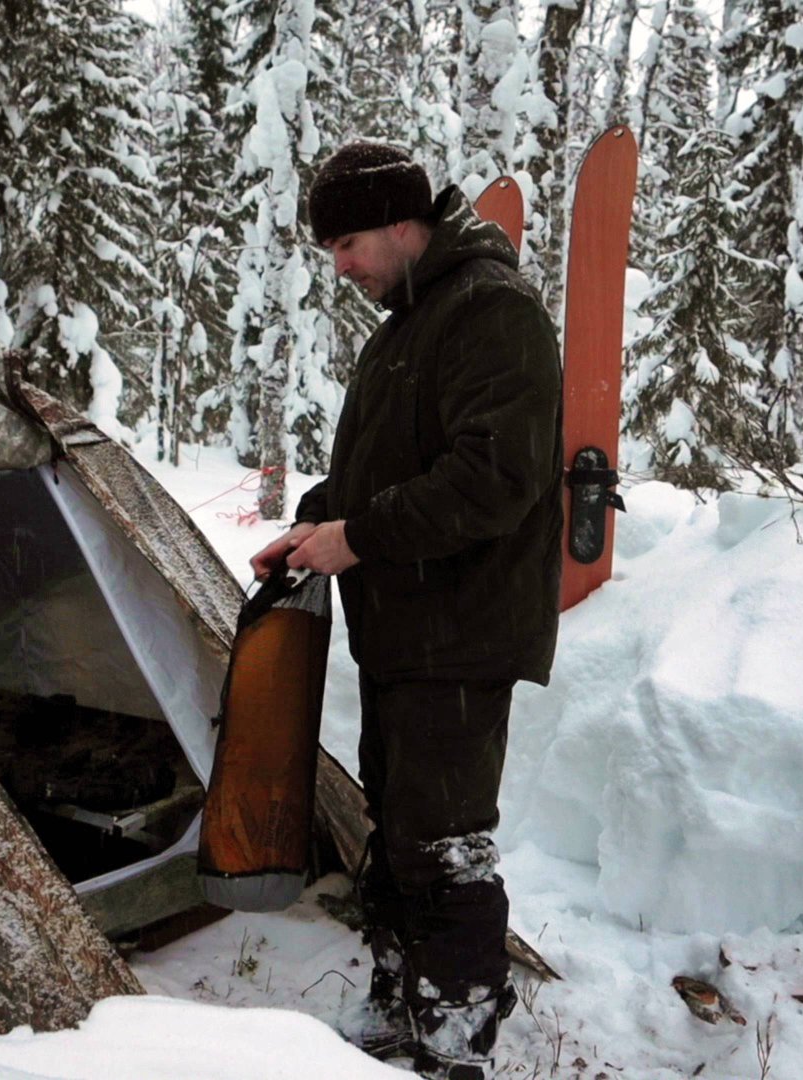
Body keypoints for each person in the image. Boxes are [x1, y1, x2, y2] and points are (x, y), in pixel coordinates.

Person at [249, 141, 563, 1080]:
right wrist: (314, 524)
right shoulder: (407, 328)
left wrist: (359, 537)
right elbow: (377, 471)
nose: (341, 267)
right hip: (404, 631)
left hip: (461, 632)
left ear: (399, 223)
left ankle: (455, 1036)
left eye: (347, 244)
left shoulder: (490, 311)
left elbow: (494, 479)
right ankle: (401, 1004)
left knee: (442, 843)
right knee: (397, 832)